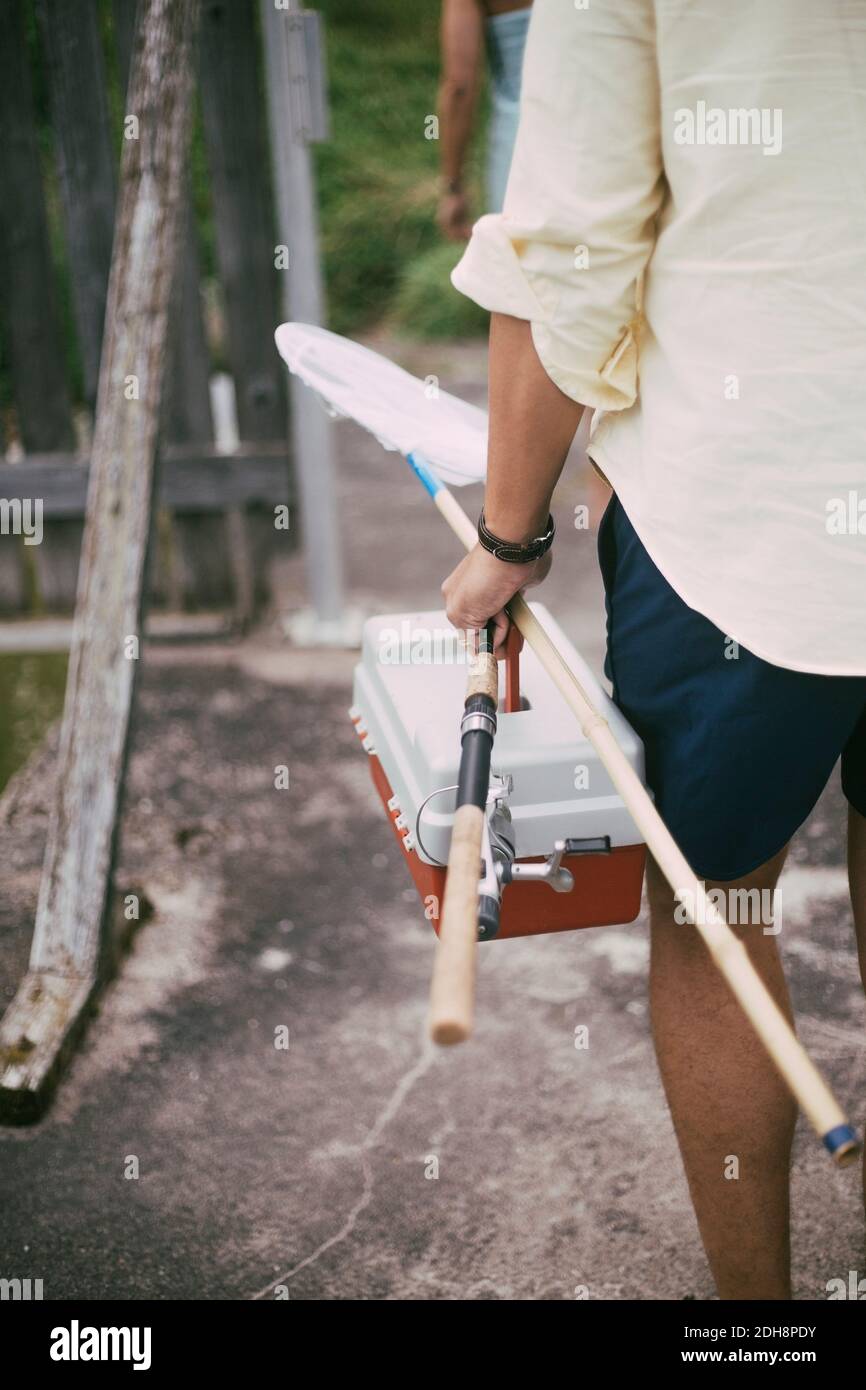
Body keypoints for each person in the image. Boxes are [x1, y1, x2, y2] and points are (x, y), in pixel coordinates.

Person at [441, 0, 866, 1301]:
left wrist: (507, 537)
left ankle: (757, 1326)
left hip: (749, 505)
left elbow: (567, 251)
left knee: (718, 904)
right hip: (757, 498)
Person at [436, 0, 533, 242]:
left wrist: (453, 187)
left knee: (522, 270)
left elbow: (459, 87)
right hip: (606, 136)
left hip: (520, 153)